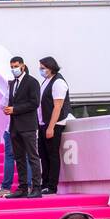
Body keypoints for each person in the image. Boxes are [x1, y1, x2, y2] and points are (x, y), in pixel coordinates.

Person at [4, 56, 42, 199]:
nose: (14, 69)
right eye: (12, 66)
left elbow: (34, 103)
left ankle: (37, 187)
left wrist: (15, 109)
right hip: (15, 127)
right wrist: (10, 110)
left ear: (23, 66)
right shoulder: (13, 83)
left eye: (16, 66)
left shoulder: (32, 82)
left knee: (32, 157)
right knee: (19, 158)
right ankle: (23, 187)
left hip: (28, 126)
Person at [36, 56, 73, 196]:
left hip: (54, 124)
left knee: (52, 155)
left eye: (43, 68)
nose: (41, 70)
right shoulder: (46, 81)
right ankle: (44, 183)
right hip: (43, 123)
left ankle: (52, 186)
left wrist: (51, 127)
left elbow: (57, 107)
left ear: (50, 67)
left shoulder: (58, 82)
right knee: (43, 154)